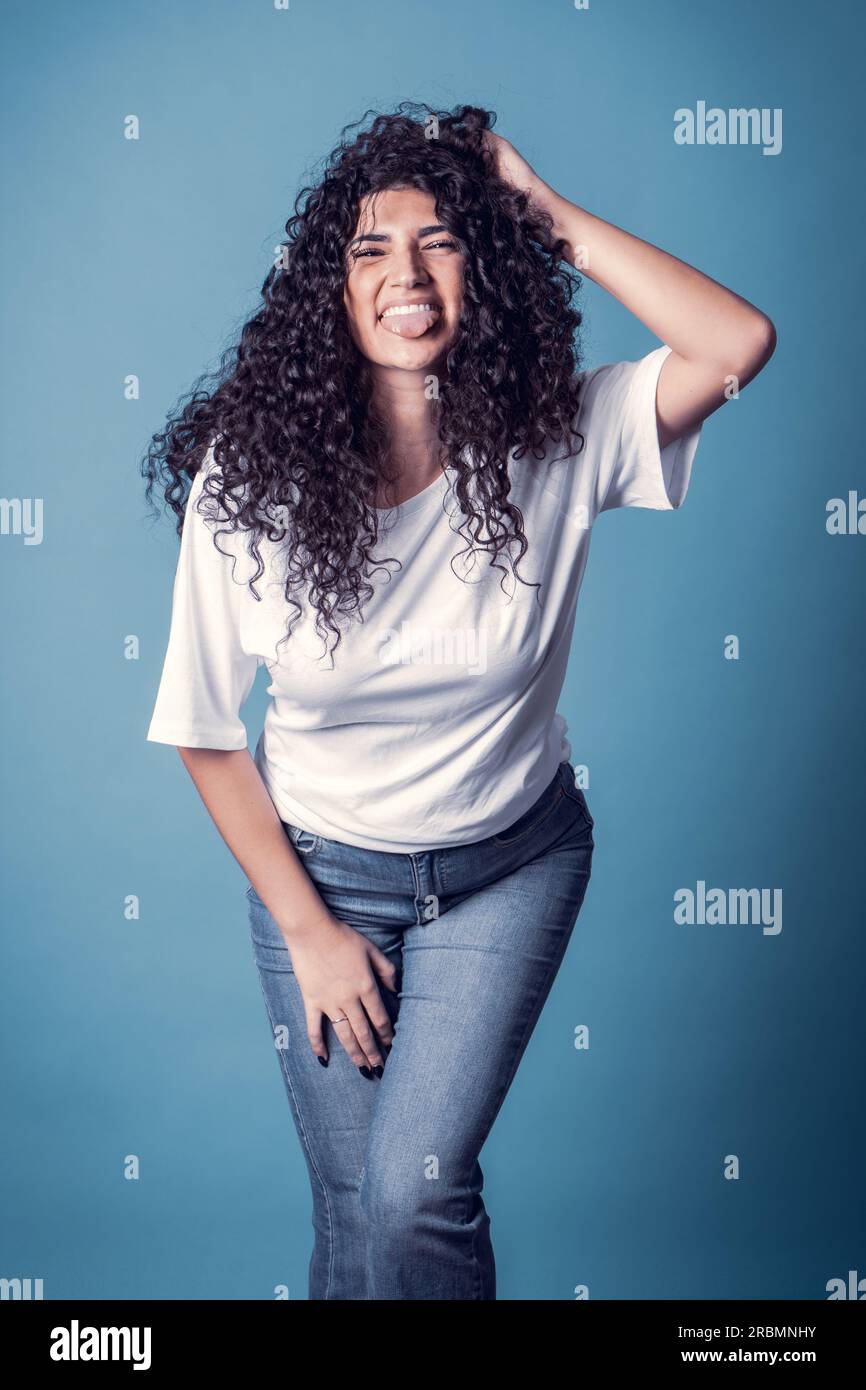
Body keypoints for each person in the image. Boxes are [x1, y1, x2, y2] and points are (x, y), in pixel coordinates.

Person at [142, 102, 776, 1300]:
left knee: (412, 1194)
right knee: (352, 1218)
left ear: (482, 271)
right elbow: (205, 733)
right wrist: (312, 932)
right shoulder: (251, 479)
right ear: (327, 291)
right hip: (320, 877)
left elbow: (736, 342)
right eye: (370, 249)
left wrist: (543, 216)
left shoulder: (560, 436)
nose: (405, 274)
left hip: (506, 865)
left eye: (441, 241)